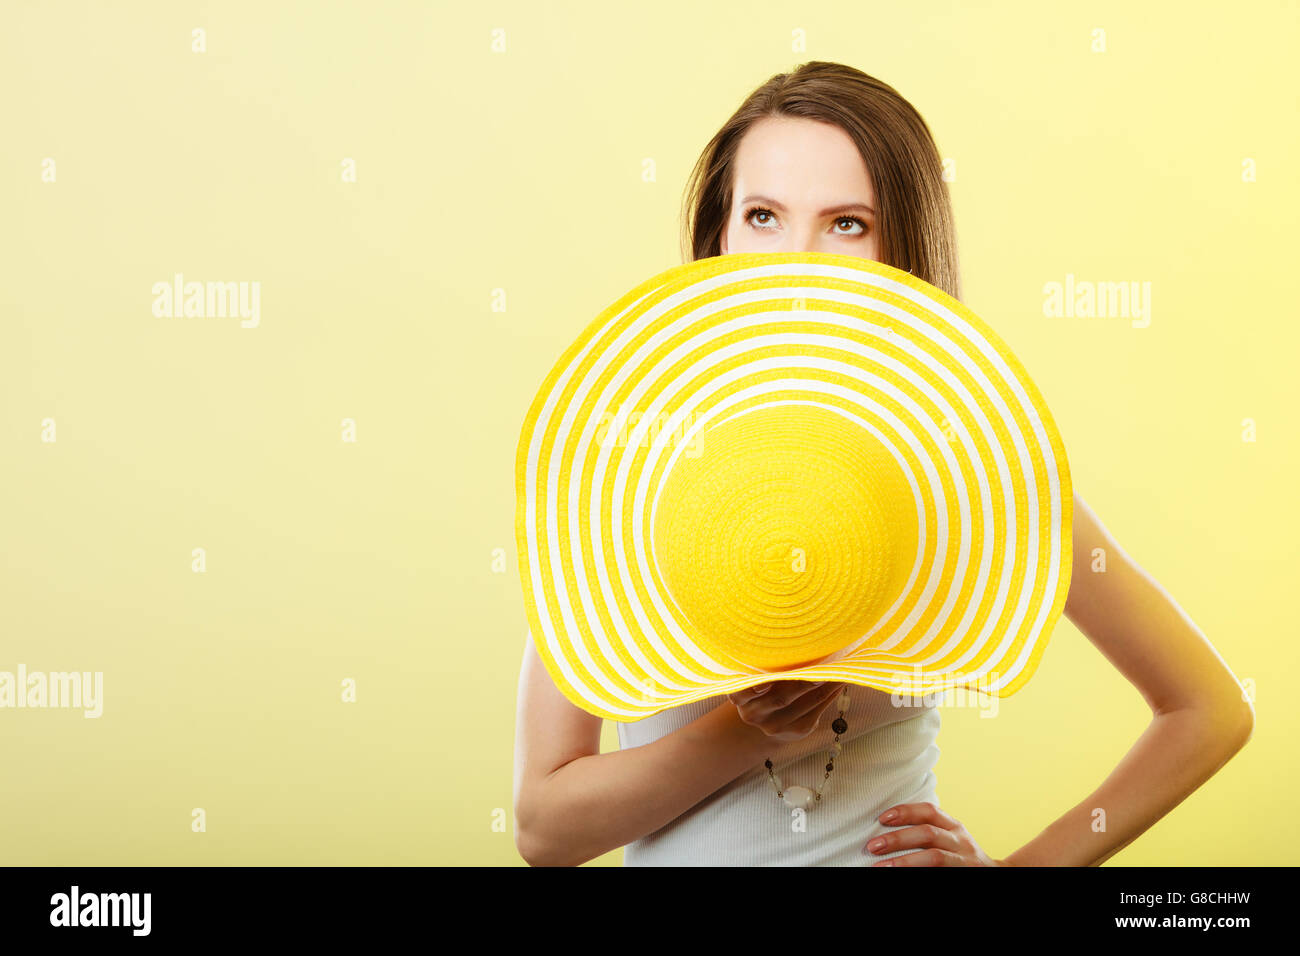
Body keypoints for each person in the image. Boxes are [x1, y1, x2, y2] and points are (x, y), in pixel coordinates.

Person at [512, 61, 1254, 867]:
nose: (797, 262)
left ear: (902, 250)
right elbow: (547, 834)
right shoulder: (628, 468)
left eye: (846, 225)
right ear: (718, 235)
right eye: (763, 215)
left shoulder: (973, 477)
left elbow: (1210, 709)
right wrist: (757, 725)